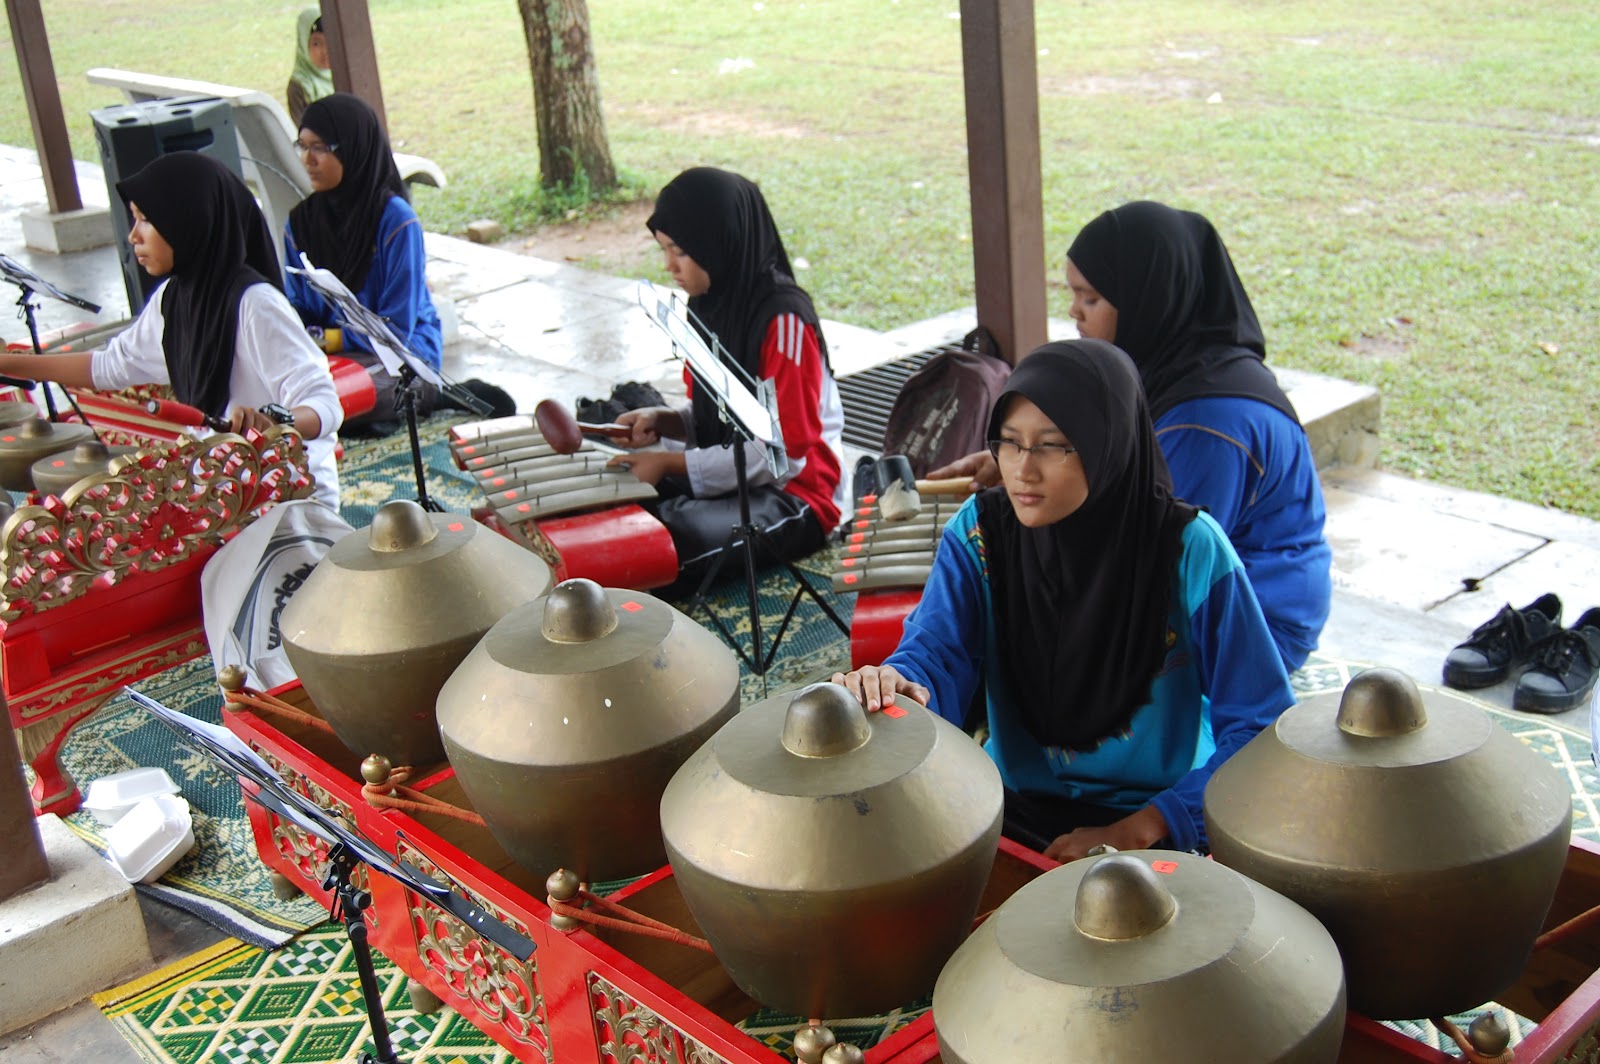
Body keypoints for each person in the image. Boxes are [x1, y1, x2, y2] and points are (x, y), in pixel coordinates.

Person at [836, 340, 1294, 862]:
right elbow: (939, 652)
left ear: (1108, 445)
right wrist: (899, 682)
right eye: (1008, 442)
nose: (1023, 470)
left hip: (1162, 812)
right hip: (1014, 803)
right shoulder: (982, 533)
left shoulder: (1189, 550)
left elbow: (1261, 726)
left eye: (1053, 445)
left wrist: (1144, 828)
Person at [932, 201, 1331, 672]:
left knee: (1004, 649)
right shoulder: (1178, 368)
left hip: (1255, 627)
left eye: (1091, 299)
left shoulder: (1206, 423)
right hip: (1206, 602)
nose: (1073, 311)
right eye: (1074, 294)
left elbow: (1147, 559)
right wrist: (1014, 463)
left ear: (1149, 300)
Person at [0, 152, 343, 510]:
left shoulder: (256, 304)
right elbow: (110, 366)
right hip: (224, 483)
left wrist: (277, 421)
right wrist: (10, 364)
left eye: (146, 220)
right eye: (134, 220)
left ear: (188, 222)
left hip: (289, 494)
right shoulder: (175, 297)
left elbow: (326, 406)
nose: (133, 236)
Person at [608, 167, 844, 597]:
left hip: (798, 495)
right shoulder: (703, 308)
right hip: (739, 478)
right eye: (663, 250)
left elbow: (785, 453)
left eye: (679, 250)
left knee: (664, 540)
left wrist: (671, 464)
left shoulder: (784, 320)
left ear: (717, 242)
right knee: (618, 501)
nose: (669, 266)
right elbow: (718, 415)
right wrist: (666, 421)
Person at [283, 93, 453, 435]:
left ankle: (430, 396)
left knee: (325, 401)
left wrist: (328, 339)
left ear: (353, 149)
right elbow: (297, 307)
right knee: (281, 394)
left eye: (320, 148)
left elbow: (395, 329)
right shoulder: (300, 223)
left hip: (400, 359)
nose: (307, 159)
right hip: (329, 358)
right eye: (302, 146)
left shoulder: (396, 223)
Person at [286, 8, 334, 126]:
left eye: (329, 41)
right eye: (316, 43)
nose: (325, 51)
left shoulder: (344, 73)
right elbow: (304, 133)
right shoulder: (299, 86)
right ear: (303, 43)